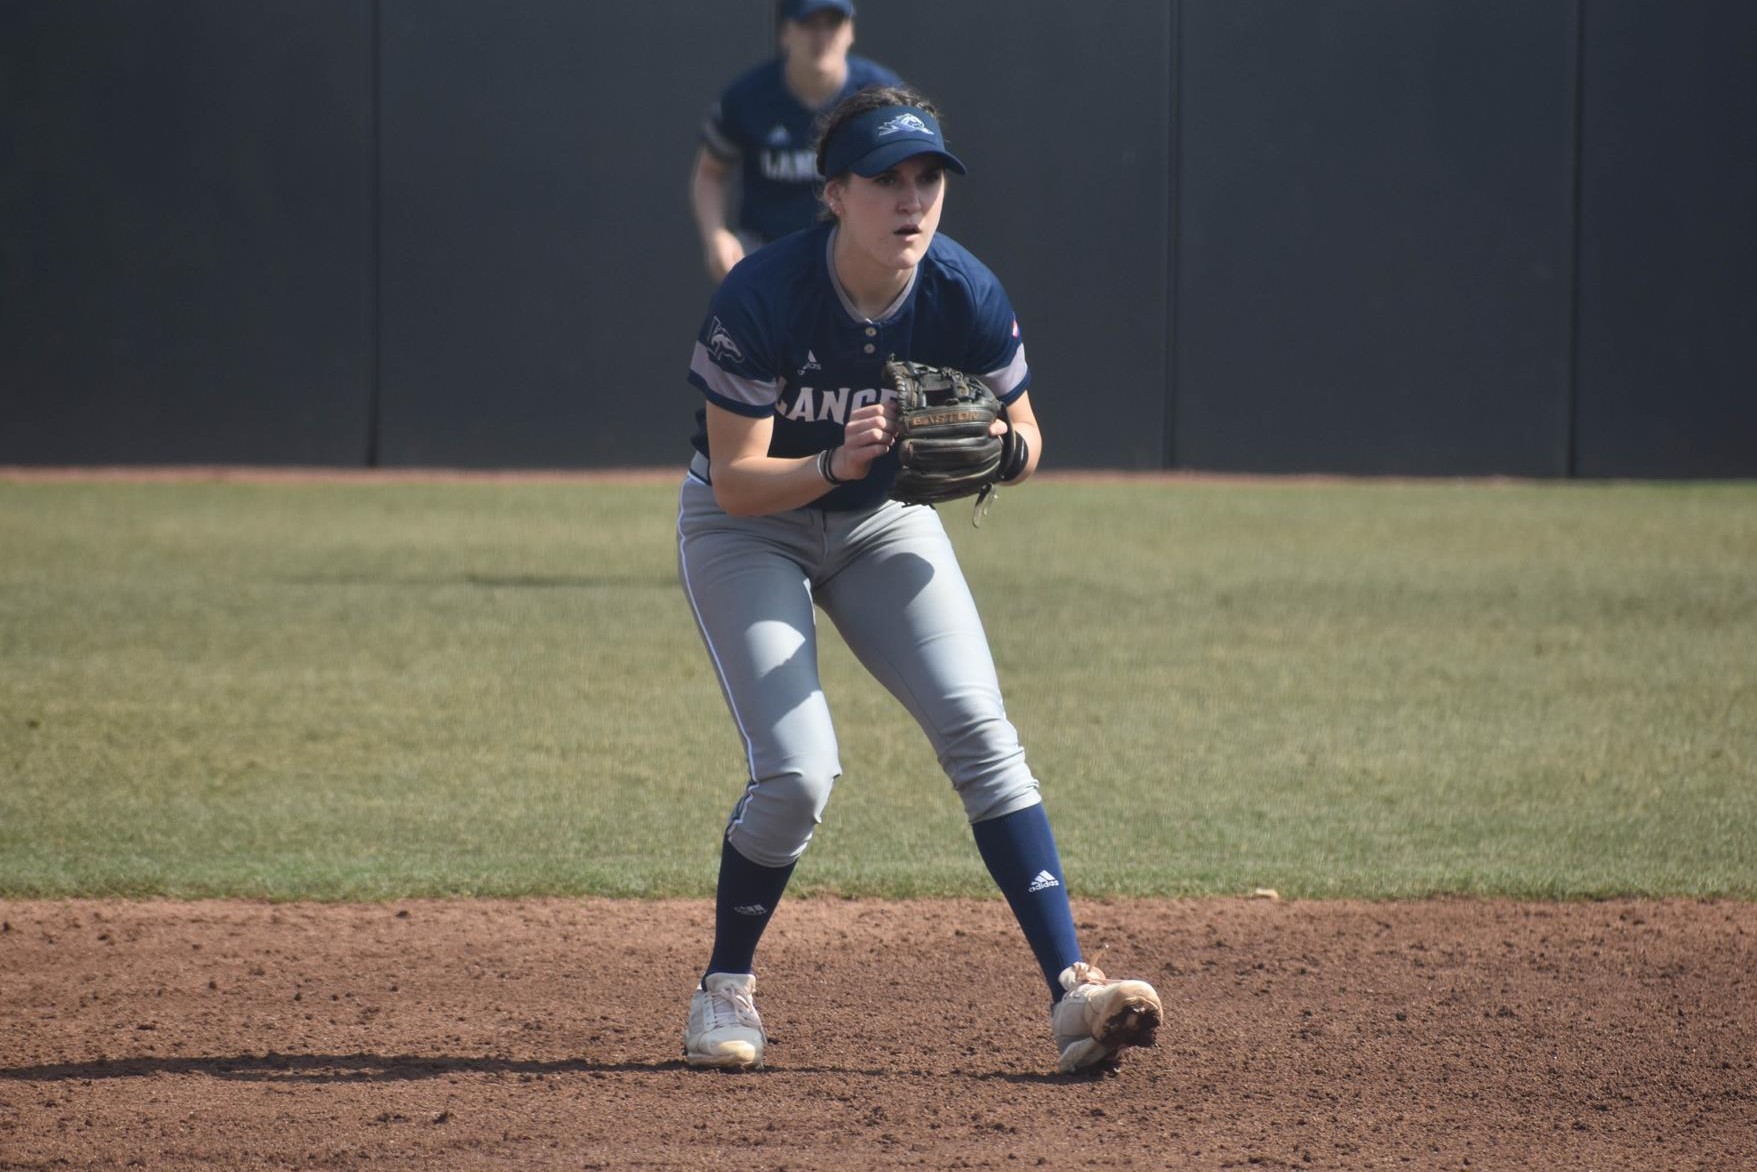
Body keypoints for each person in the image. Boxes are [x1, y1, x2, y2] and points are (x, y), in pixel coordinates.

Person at [674, 83, 1164, 1075]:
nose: (911, 199)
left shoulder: (962, 290)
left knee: (980, 729)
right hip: (751, 528)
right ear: (834, 192)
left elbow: (1030, 436)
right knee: (800, 770)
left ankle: (1073, 992)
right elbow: (733, 481)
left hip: (882, 521)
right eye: (885, 179)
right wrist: (828, 466)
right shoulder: (761, 296)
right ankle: (723, 987)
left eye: (926, 177)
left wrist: (997, 449)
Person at [690, 0, 902, 282]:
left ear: (850, 31)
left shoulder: (882, 97)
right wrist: (716, 235)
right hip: (767, 255)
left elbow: (912, 174)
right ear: (785, 33)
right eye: (809, 24)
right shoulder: (748, 98)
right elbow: (710, 174)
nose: (822, 36)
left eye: (833, 24)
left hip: (854, 257)